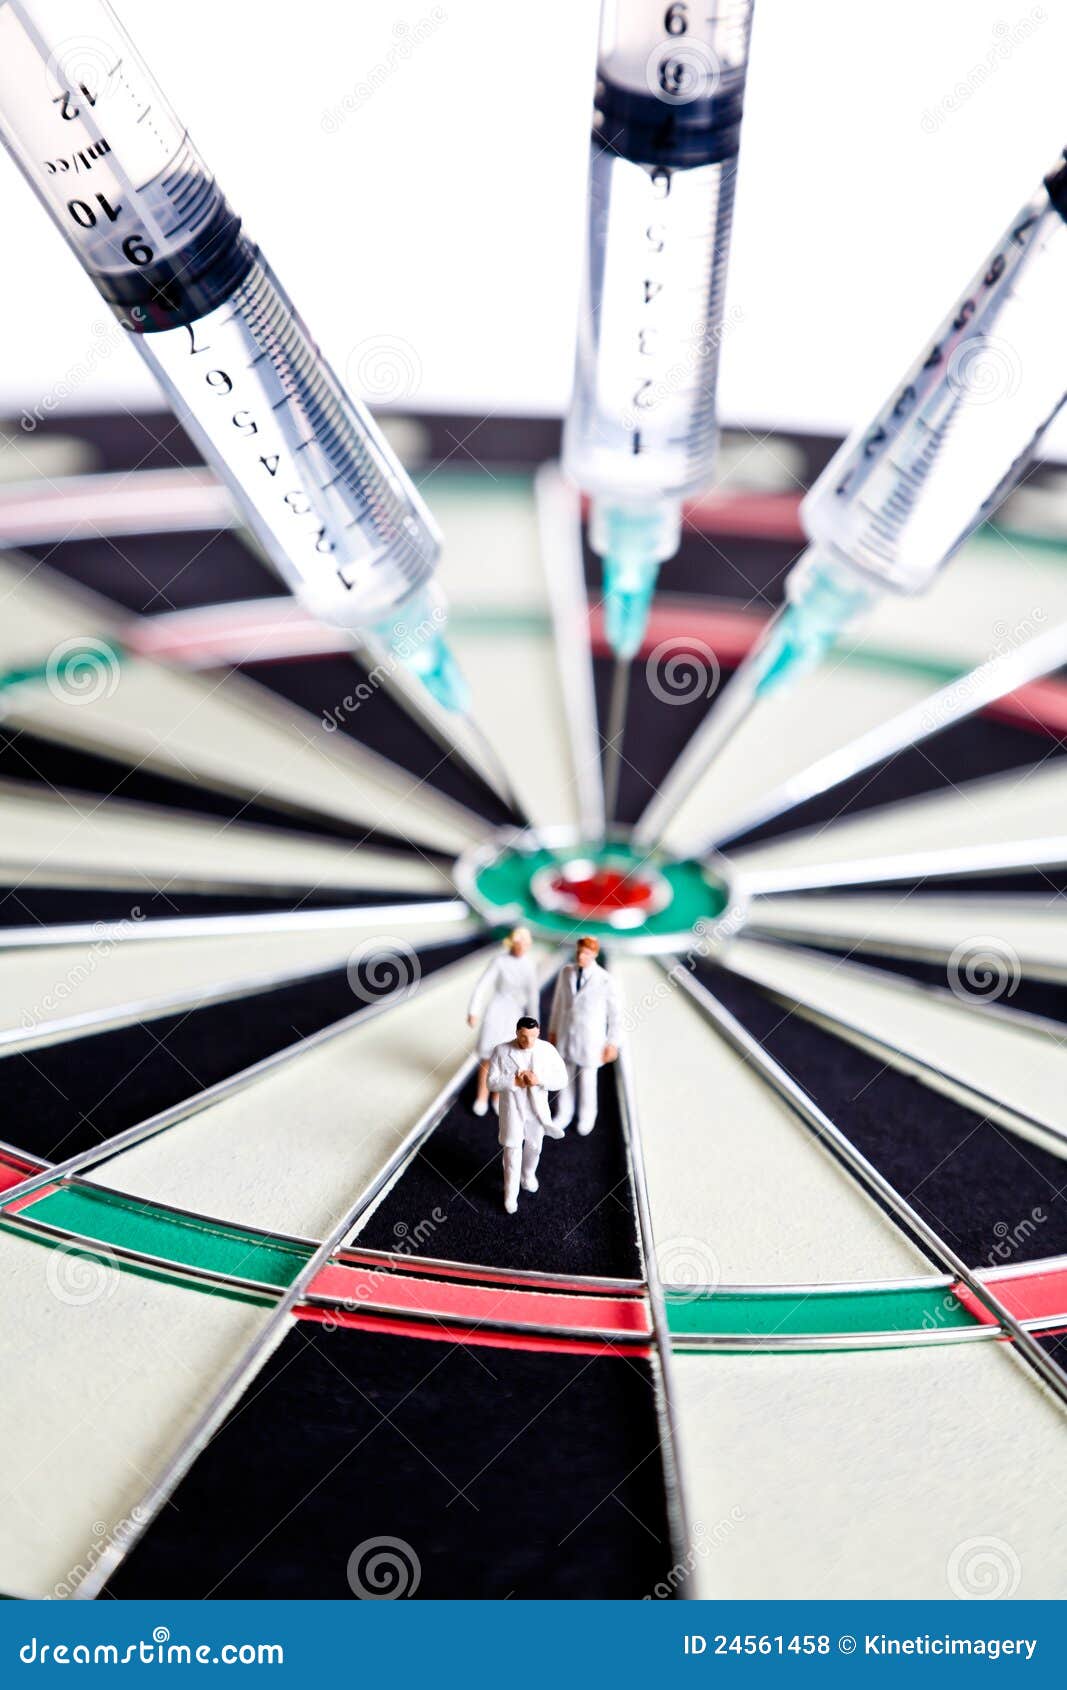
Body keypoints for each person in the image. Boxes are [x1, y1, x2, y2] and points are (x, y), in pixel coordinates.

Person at [486, 1015, 568, 1214]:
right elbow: (491, 1082)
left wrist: (539, 1079)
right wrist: (514, 1082)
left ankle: (528, 1175)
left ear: (538, 1032)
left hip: (536, 1113)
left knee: (534, 1148)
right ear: (517, 1033)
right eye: (523, 1037)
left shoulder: (547, 1050)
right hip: (512, 1111)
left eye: (532, 1036)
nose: (528, 1041)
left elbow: (562, 1079)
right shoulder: (501, 1051)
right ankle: (510, 1195)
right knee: (512, 1153)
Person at [548, 935, 621, 1136]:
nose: (581, 956)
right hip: (566, 1034)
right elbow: (558, 1004)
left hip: (591, 1041)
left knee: (588, 1080)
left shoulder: (605, 980)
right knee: (565, 1077)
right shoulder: (566, 972)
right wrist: (553, 1030)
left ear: (595, 954)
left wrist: (613, 1042)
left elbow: (615, 1015)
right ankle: (564, 1112)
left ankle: (587, 1116)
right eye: (579, 951)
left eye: (586, 953)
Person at [466, 926, 539, 1117]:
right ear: (511, 943)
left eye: (524, 943)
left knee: (507, 1058)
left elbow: (533, 996)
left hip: (515, 1013)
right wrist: (474, 1010)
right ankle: (481, 1096)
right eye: (517, 942)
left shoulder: (529, 966)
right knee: (487, 1057)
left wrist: (534, 1023)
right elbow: (482, 985)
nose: (520, 946)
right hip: (497, 1009)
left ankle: (497, 1097)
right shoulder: (499, 961)